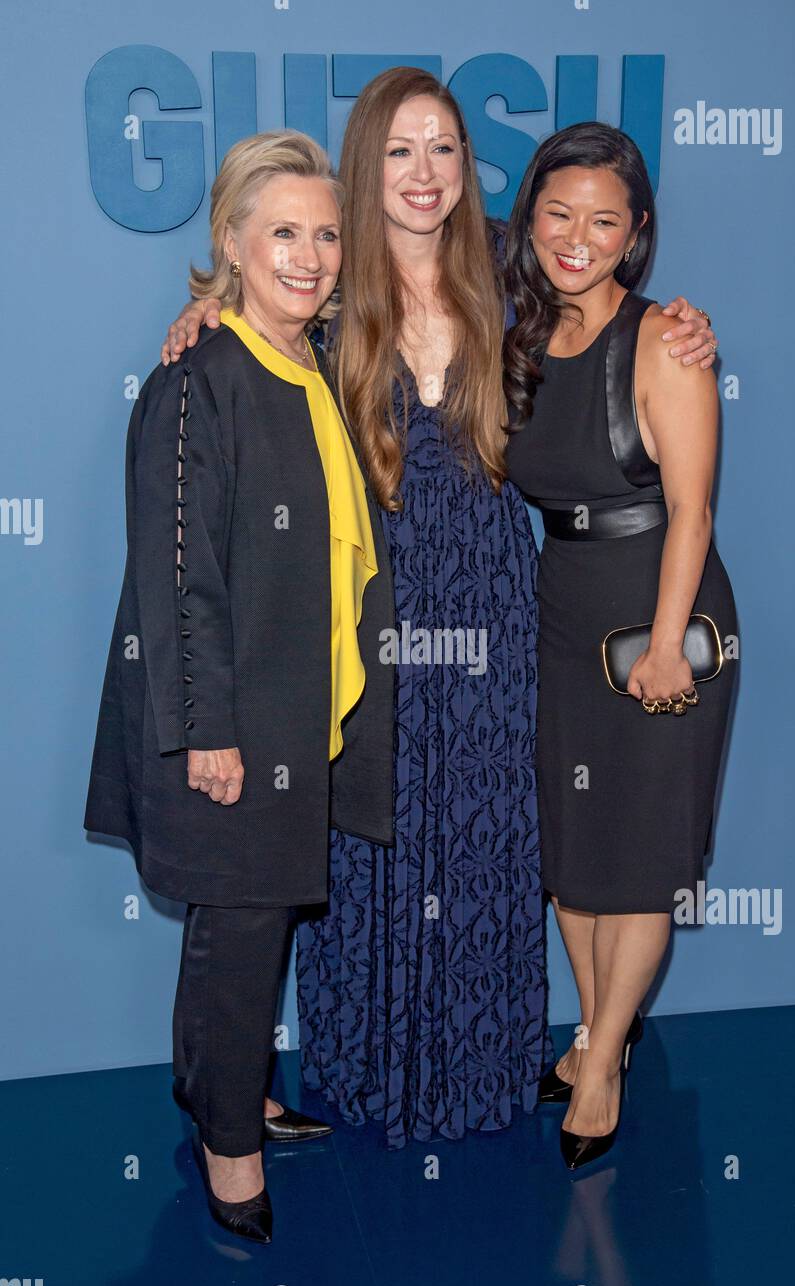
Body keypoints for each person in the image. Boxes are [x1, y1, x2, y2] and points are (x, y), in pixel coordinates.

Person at [163, 69, 718, 1152]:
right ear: (365, 164)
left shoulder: (511, 272)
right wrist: (204, 307)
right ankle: (367, 1062)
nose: (423, 174)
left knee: (486, 842)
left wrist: (679, 321)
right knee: (368, 842)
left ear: (467, 171)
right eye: (401, 151)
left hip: (497, 613)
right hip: (364, 614)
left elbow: (608, 295)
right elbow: (246, 314)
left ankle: (480, 1062)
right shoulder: (321, 288)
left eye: (445, 151)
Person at [84, 131, 394, 1240]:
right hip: (230, 719)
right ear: (231, 243)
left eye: (323, 234)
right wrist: (207, 730)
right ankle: (229, 1146)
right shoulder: (196, 377)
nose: (308, 257)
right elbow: (179, 577)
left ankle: (218, 1084)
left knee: (236, 921)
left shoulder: (307, 363)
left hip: (291, 703)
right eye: (282, 235)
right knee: (245, 921)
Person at [504, 122, 738, 1171]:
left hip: (663, 615)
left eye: (603, 220)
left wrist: (661, 647)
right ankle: (601, 1030)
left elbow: (691, 508)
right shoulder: (511, 329)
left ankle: (596, 1068)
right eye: (558, 213)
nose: (576, 236)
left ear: (633, 235)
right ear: (530, 219)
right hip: (563, 609)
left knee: (637, 856)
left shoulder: (662, 340)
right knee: (574, 852)